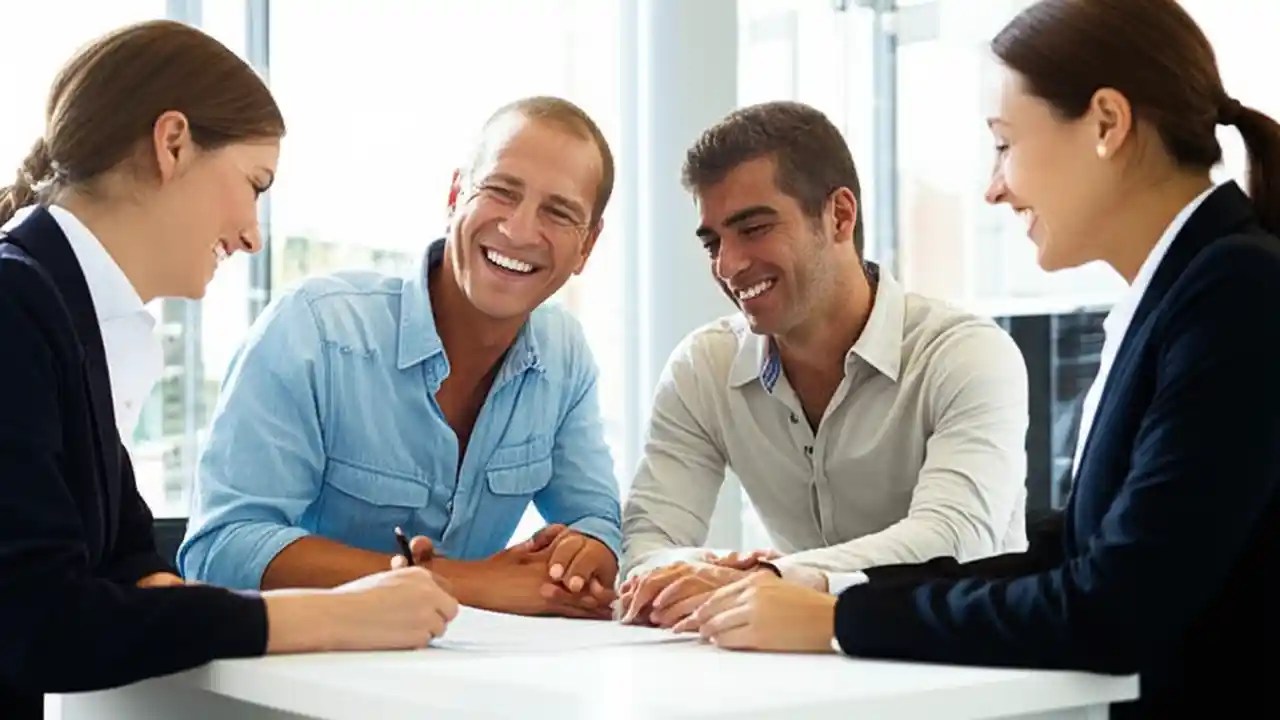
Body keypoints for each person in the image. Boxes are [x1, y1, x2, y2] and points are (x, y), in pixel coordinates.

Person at [679, 1, 1280, 717]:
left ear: (1106, 124)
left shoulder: (1236, 293)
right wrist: (828, 588)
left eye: (1003, 144)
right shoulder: (1186, 292)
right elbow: (1075, 551)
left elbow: (1116, 605)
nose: (995, 187)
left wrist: (838, 621)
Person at [0, 20, 458, 720]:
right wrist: (338, 616)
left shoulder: (62, 313)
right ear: (172, 143)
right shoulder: (15, 305)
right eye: (254, 184)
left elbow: (128, 567)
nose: (252, 236)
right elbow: (41, 622)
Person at [179, 96, 622, 619]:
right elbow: (221, 549)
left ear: (587, 246)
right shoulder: (315, 330)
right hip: (310, 663)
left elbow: (596, 520)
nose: (520, 230)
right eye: (501, 191)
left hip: (474, 665)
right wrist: (464, 582)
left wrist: (586, 555)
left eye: (559, 212)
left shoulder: (564, 355)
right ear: (456, 195)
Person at [615, 100, 1031, 627]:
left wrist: (773, 577)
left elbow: (954, 538)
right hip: (802, 659)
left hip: (959, 658)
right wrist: (703, 570)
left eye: (754, 228)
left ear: (839, 216)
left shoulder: (966, 355)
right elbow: (648, 544)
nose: (728, 265)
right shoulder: (704, 368)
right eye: (713, 242)